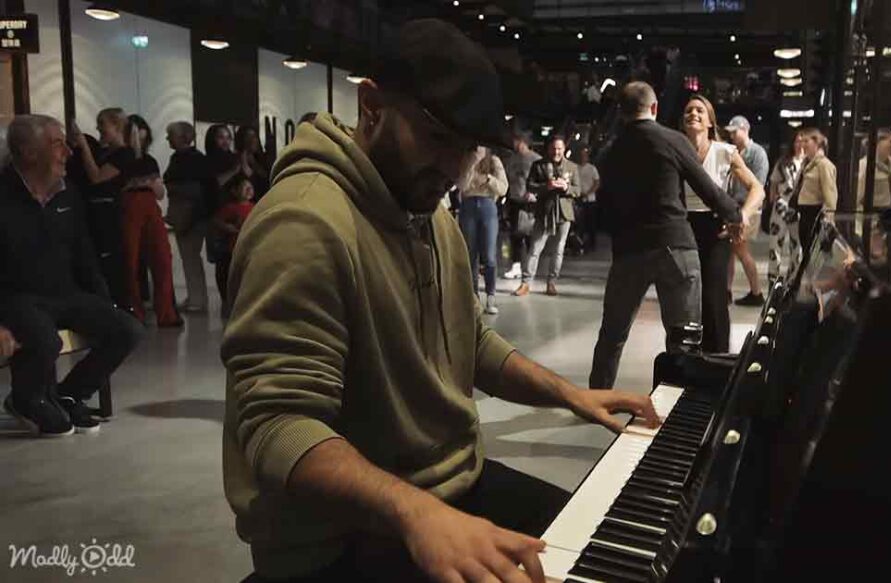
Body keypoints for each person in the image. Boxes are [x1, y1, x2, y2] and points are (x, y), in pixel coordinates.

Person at [223, 19, 659, 582]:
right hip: (339, 537)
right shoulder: (304, 224)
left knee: (608, 556)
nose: (454, 169)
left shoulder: (427, 212)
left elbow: (469, 341)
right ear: (371, 105)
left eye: (467, 148)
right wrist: (419, 513)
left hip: (448, 485)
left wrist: (572, 396)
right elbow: (280, 426)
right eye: (436, 138)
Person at [588, 82, 747, 389]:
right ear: (655, 108)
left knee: (612, 333)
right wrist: (734, 213)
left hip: (629, 251)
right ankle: (679, 405)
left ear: (621, 112)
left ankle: (597, 398)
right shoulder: (672, 140)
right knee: (684, 337)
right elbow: (706, 187)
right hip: (675, 245)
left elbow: (603, 207)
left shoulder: (608, 151)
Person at [0, 114, 142, 436]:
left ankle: (70, 393)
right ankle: (27, 398)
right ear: (28, 152)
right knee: (43, 338)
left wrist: (106, 303)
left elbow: (84, 255)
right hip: (16, 297)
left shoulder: (68, 194)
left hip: (64, 294)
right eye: (57, 144)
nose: (68, 151)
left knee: (127, 329)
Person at [73, 109, 182, 327]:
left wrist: (143, 184)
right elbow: (100, 179)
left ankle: (163, 311)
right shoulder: (113, 155)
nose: (98, 129)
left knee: (160, 258)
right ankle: (136, 311)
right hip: (124, 209)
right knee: (130, 262)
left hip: (142, 208)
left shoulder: (131, 157)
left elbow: (158, 191)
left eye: (102, 124)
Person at [679, 97, 765, 353]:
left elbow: (757, 188)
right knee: (686, 297)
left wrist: (741, 216)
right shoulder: (677, 149)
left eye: (699, 110)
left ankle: (718, 356)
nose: (693, 113)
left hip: (716, 227)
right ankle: (691, 355)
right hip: (684, 226)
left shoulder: (724, 151)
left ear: (709, 121)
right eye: (688, 110)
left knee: (714, 295)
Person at [513, 135, 580, 297]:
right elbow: (530, 186)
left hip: (564, 213)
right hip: (544, 211)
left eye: (560, 148)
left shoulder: (572, 167)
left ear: (564, 149)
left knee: (558, 250)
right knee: (535, 247)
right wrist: (546, 186)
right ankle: (526, 283)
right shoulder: (539, 165)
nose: (557, 152)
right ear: (549, 148)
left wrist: (566, 188)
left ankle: (552, 282)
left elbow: (578, 190)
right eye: (554, 148)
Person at [165, 121, 218, 313]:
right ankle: (195, 296)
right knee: (190, 258)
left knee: (190, 258)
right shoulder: (194, 159)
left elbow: (196, 189)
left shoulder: (186, 160)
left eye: (170, 135)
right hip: (193, 215)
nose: (168, 139)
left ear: (182, 137)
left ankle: (197, 299)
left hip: (191, 216)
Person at [722, 115, 770, 307]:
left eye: (735, 132)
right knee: (733, 251)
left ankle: (756, 292)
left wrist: (747, 210)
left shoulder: (757, 153)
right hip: (734, 208)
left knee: (739, 249)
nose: (732, 136)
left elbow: (758, 185)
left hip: (748, 210)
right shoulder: (735, 152)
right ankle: (727, 290)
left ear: (745, 129)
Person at [458, 145, 508, 314]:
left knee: (489, 255)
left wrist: (488, 179)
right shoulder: (466, 159)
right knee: (470, 253)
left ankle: (491, 296)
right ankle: (473, 298)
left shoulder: (494, 161)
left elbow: (503, 188)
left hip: (488, 205)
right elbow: (461, 186)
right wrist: (471, 170)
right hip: (468, 205)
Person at [211, 175, 255, 317]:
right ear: (235, 191)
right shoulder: (230, 208)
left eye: (250, 187)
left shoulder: (255, 207)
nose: (249, 190)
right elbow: (217, 221)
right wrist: (229, 228)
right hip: (232, 249)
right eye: (245, 187)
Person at [767, 130, 806, 284]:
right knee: (775, 244)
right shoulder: (784, 162)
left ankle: (792, 280)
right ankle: (773, 279)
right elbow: (774, 182)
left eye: (803, 141)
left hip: (798, 207)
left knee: (797, 247)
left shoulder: (808, 163)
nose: (800, 144)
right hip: (782, 205)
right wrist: (773, 200)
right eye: (797, 141)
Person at [503, 132, 541, 279]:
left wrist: (535, 194)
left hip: (530, 203)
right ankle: (516, 265)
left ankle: (531, 267)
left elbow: (542, 180)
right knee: (515, 234)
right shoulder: (512, 159)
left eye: (514, 141)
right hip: (514, 200)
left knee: (530, 235)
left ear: (521, 141)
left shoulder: (535, 159)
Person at [795, 127, 838, 256]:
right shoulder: (807, 164)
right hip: (804, 213)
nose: (803, 145)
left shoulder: (824, 165)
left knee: (815, 253)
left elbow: (830, 193)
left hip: (816, 213)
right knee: (806, 251)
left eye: (806, 141)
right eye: (802, 141)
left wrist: (829, 218)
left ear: (817, 143)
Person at [856, 128, 891, 211]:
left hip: (887, 216)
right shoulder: (864, 165)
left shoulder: (889, 166)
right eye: (890, 142)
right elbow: (858, 197)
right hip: (872, 217)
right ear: (878, 143)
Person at [235, 125, 271, 201]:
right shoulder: (235, 159)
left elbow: (266, 179)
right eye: (248, 136)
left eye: (254, 136)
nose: (252, 140)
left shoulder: (262, 159)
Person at [575, 147, 601, 252]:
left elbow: (597, 183)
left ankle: (592, 244)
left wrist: (589, 192)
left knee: (591, 223)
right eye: (581, 156)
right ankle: (579, 243)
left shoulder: (592, 168)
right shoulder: (575, 168)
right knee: (580, 223)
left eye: (584, 156)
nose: (582, 158)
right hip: (578, 198)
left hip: (590, 199)